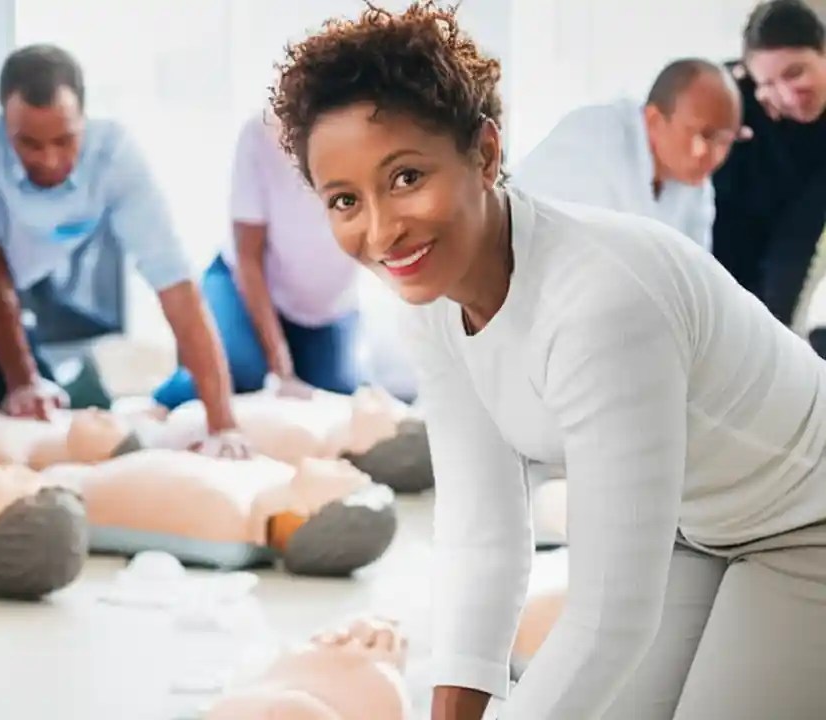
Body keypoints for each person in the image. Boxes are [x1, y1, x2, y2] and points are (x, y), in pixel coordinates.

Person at [272, 3, 826, 718]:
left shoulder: (600, 302)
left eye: (406, 177)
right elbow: (483, 539)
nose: (381, 229)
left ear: (486, 153)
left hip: (809, 520)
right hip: (696, 530)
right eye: (345, 199)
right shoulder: (434, 304)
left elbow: (609, 620)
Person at [0, 44, 247, 455]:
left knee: (51, 421)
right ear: (5, 124)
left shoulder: (115, 157)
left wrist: (224, 425)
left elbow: (177, 287)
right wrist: (22, 381)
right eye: (30, 144)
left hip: (3, 305)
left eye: (64, 140)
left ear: (84, 118)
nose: (50, 159)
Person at [151, 109, 362, 408]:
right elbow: (248, 257)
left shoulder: (367, 138)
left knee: (338, 396)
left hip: (324, 312)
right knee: (241, 376)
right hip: (240, 284)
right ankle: (159, 403)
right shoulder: (261, 133)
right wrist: (280, 366)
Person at [512, 58, 746, 251]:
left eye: (724, 141)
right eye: (703, 135)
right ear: (654, 119)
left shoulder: (696, 186)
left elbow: (697, 275)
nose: (712, 155)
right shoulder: (594, 137)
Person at [712, 0, 826, 335]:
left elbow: (798, 242)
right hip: (720, 269)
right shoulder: (731, 103)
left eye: (795, 73)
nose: (788, 95)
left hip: (791, 273)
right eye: (770, 84)